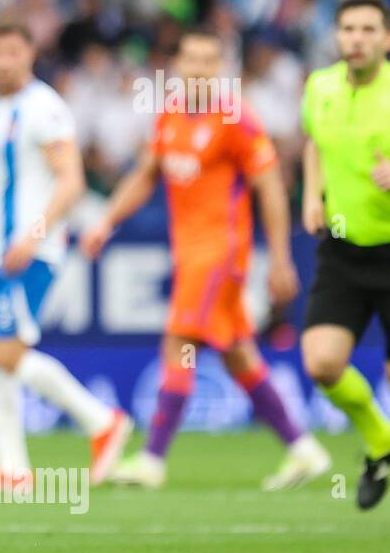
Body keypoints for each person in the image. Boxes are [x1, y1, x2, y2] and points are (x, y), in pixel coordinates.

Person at [81, 28, 328, 489]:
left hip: (220, 254)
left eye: (208, 61)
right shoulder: (170, 115)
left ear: (221, 69)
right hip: (191, 252)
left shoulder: (237, 119)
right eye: (191, 60)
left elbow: (270, 187)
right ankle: (304, 449)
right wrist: (104, 221)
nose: (199, 69)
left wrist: (279, 259)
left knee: (178, 343)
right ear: (177, 66)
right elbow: (145, 175)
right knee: (238, 355)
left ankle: (152, 461)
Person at [0, 19, 133, 498]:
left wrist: (33, 236)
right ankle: (13, 470)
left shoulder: (45, 107)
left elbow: (71, 181)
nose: (4, 61)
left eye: (13, 52)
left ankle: (102, 421)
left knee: (9, 352)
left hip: (34, 250)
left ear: (29, 54)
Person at [298, 0, 390, 509]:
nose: (357, 39)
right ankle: (381, 439)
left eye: (368, 29)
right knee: (322, 363)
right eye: (348, 29)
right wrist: (313, 194)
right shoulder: (321, 87)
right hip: (343, 248)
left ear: (385, 39)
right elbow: (314, 140)